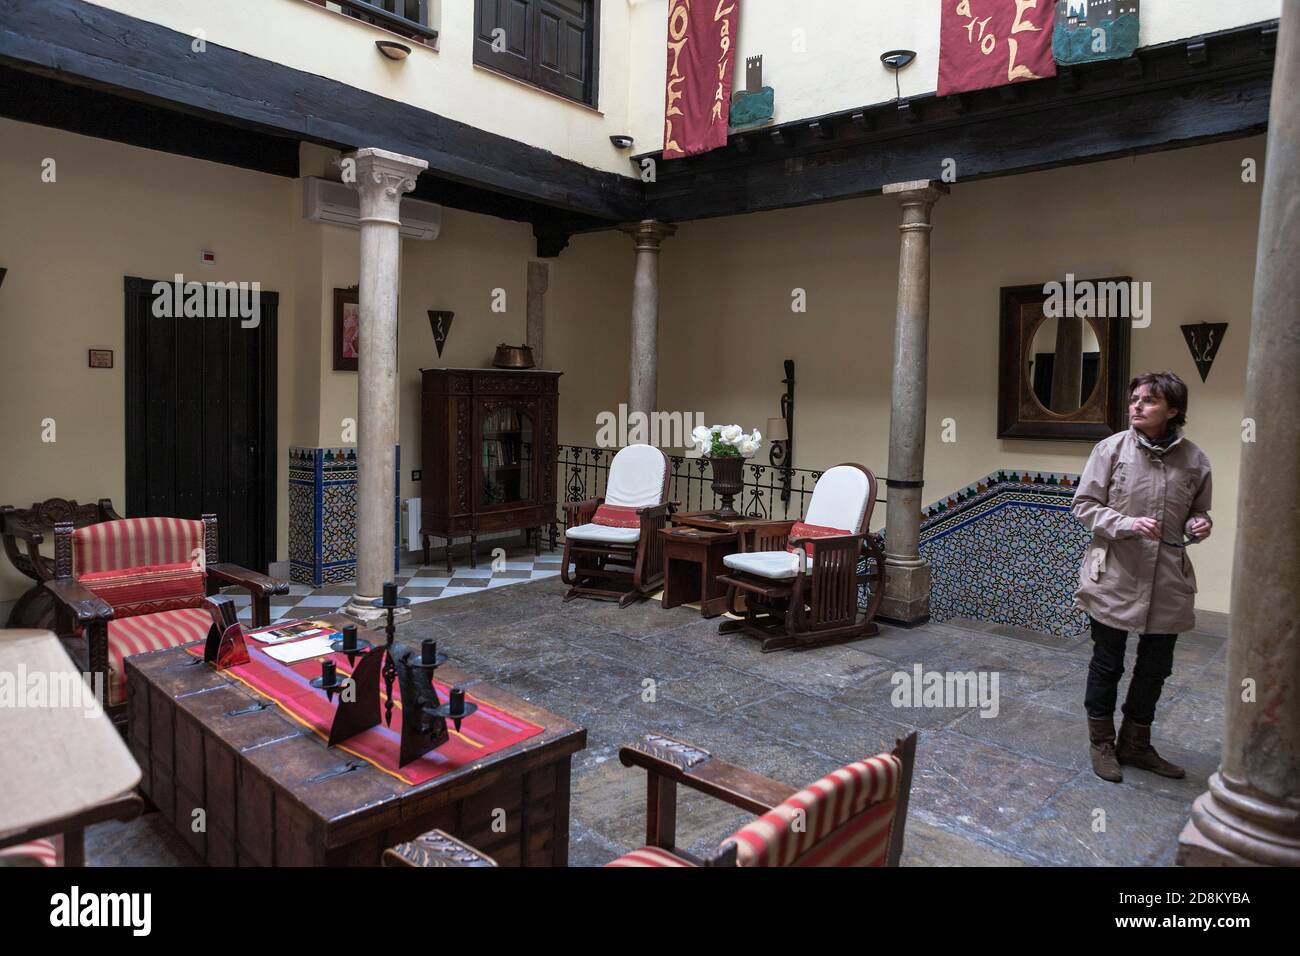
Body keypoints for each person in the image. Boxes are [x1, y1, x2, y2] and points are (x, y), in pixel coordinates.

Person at [1072, 371, 1212, 783]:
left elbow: (1198, 513)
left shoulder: (1196, 459)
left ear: (1173, 410)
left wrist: (1201, 525)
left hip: (1168, 578)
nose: (1136, 405)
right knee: (1107, 662)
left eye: (1148, 400)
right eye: (1135, 398)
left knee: (1156, 667)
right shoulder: (1110, 449)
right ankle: (1101, 742)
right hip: (1115, 572)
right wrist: (1126, 524)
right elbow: (1083, 506)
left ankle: (1135, 744)